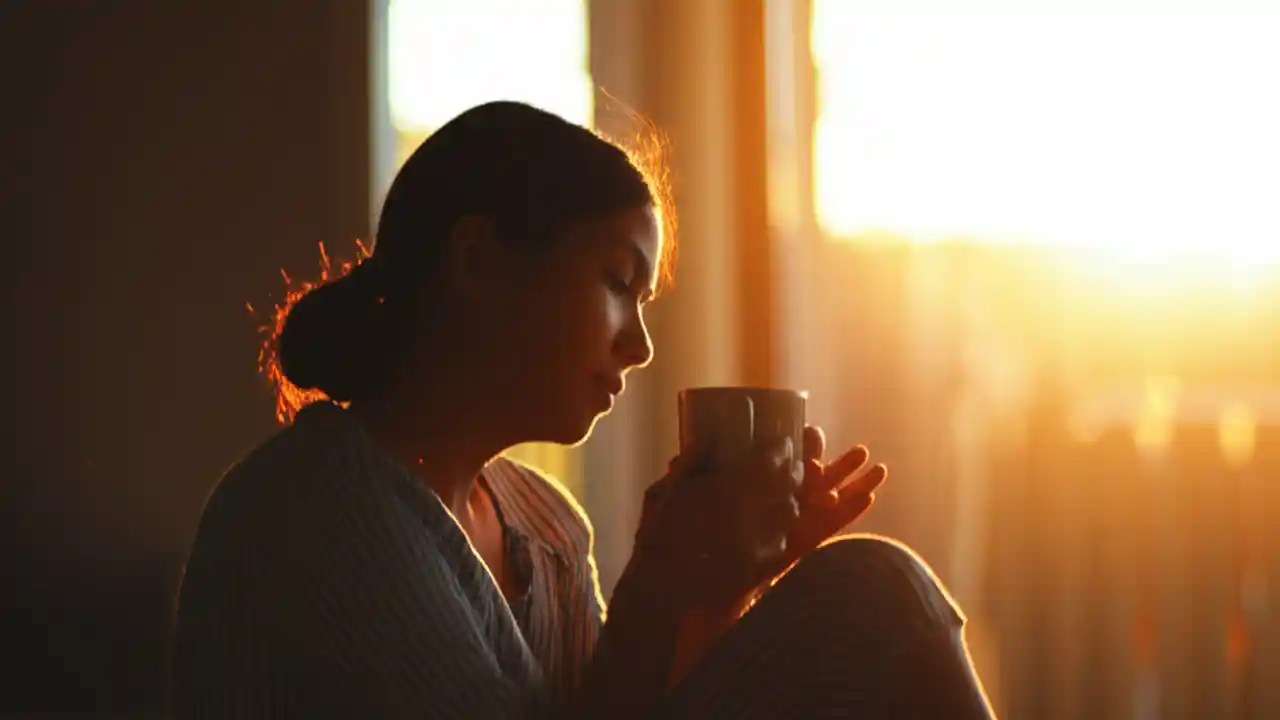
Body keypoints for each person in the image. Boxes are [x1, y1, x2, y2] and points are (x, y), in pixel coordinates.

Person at [171, 100, 993, 718]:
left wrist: (717, 587)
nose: (639, 346)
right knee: (875, 596)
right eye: (618, 283)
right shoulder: (315, 509)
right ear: (480, 262)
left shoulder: (549, 530)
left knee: (873, 602)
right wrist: (657, 586)